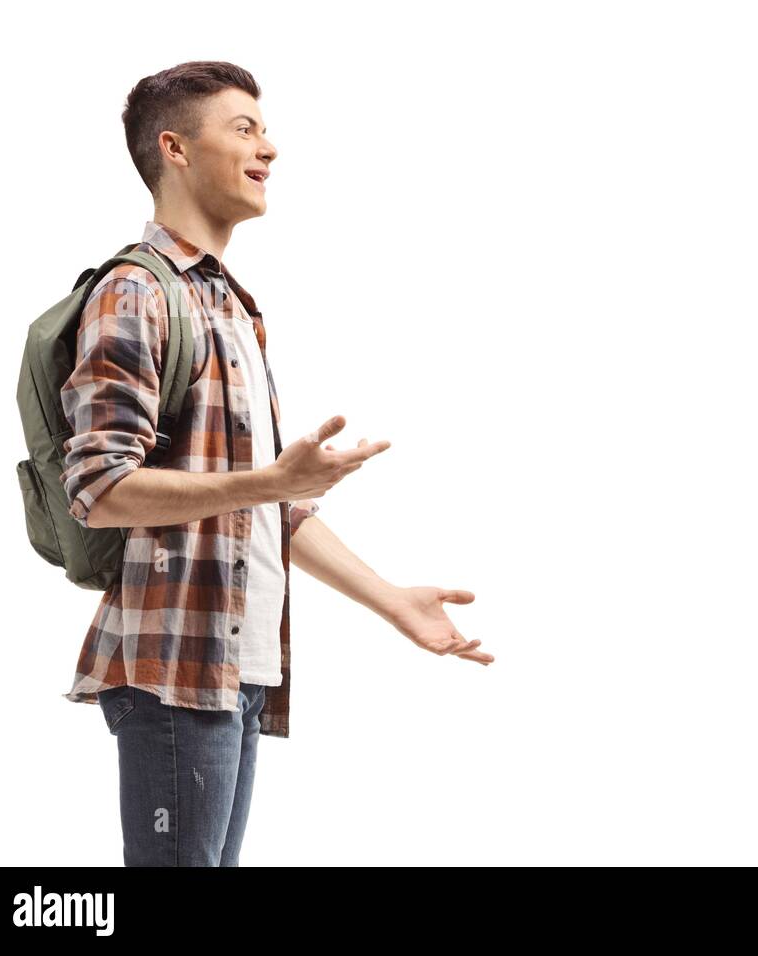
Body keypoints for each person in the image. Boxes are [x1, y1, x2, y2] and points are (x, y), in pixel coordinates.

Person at [60, 60, 494, 867]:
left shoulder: (229, 305)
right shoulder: (135, 291)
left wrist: (392, 601)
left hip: (232, 672)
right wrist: (268, 481)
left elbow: (267, 506)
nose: (270, 148)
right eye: (244, 128)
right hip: (171, 674)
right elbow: (98, 485)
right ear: (175, 149)